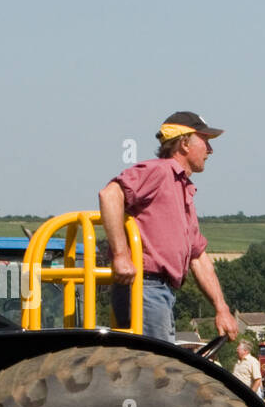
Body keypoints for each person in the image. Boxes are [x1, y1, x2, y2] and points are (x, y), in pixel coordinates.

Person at [99, 111, 239, 344]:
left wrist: (221, 308)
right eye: (205, 141)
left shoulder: (183, 188)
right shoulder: (159, 171)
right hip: (145, 286)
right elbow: (109, 195)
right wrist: (122, 255)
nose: (210, 150)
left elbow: (198, 257)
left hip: (160, 291)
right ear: (184, 143)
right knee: (156, 370)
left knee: (158, 367)